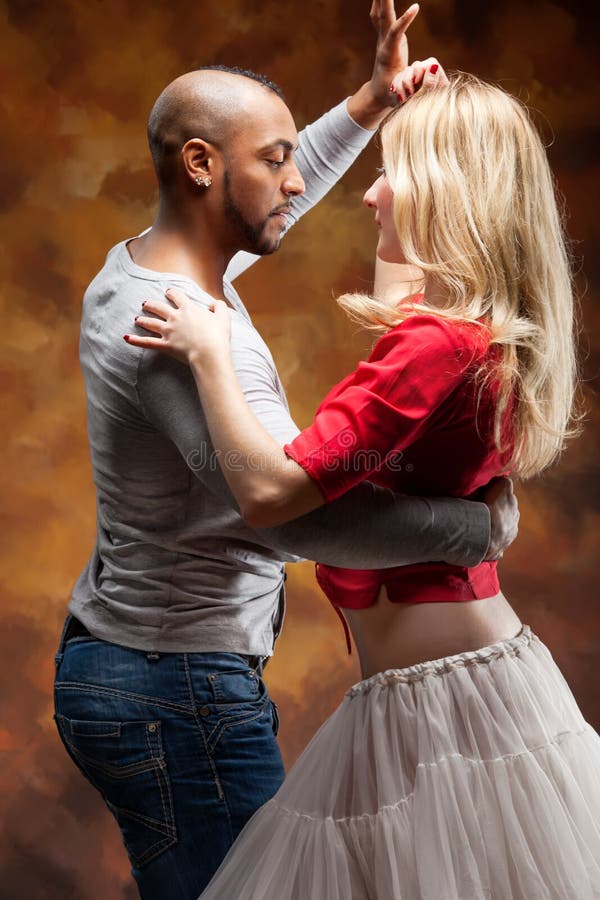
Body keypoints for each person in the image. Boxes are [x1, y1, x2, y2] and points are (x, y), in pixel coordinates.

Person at [52, 4, 520, 899]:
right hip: (174, 695)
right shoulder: (178, 334)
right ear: (201, 167)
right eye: (277, 160)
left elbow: (263, 187)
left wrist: (372, 102)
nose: (298, 180)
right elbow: (291, 517)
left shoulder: (157, 266)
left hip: (141, 667)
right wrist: (474, 529)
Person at [127, 61, 600, 899]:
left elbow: (274, 498)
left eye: (398, 174)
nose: (372, 194)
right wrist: (384, 104)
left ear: (452, 195)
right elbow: (401, 312)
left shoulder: (434, 348)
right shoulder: (468, 333)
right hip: (464, 689)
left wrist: (209, 358)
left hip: (443, 710)